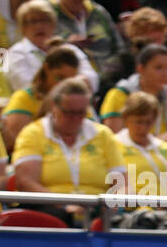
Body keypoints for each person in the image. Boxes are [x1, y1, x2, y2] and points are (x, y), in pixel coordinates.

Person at [12, 76, 125, 228]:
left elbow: (121, 182)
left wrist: (111, 205)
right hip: (51, 208)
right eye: (69, 113)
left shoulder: (103, 134)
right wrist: (64, 204)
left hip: (97, 209)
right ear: (54, 106)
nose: (76, 119)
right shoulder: (33, 133)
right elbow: (26, 182)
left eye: (81, 113)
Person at [4, 0, 99, 93]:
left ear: (53, 24)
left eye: (44, 20)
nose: (39, 26)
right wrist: (72, 85)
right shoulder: (16, 52)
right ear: (23, 27)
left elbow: (92, 78)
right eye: (33, 21)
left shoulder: (68, 49)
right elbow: (25, 86)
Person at [100, 43, 167, 141]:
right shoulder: (119, 94)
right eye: (158, 68)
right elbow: (113, 140)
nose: (165, 74)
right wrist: (158, 141)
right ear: (141, 69)